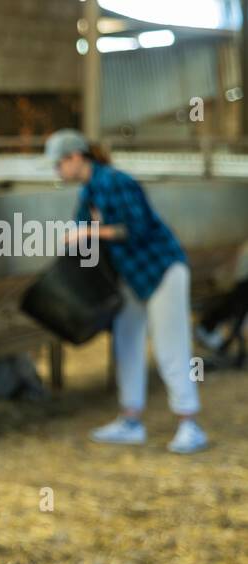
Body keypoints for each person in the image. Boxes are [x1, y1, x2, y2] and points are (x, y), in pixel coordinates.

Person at [46, 128, 208, 454]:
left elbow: (135, 229)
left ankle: (189, 424)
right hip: (131, 276)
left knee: (170, 345)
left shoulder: (115, 181)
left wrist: (89, 233)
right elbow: (82, 232)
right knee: (127, 340)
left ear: (76, 157)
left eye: (59, 164)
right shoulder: (89, 192)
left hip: (160, 268)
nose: (57, 172)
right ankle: (131, 420)